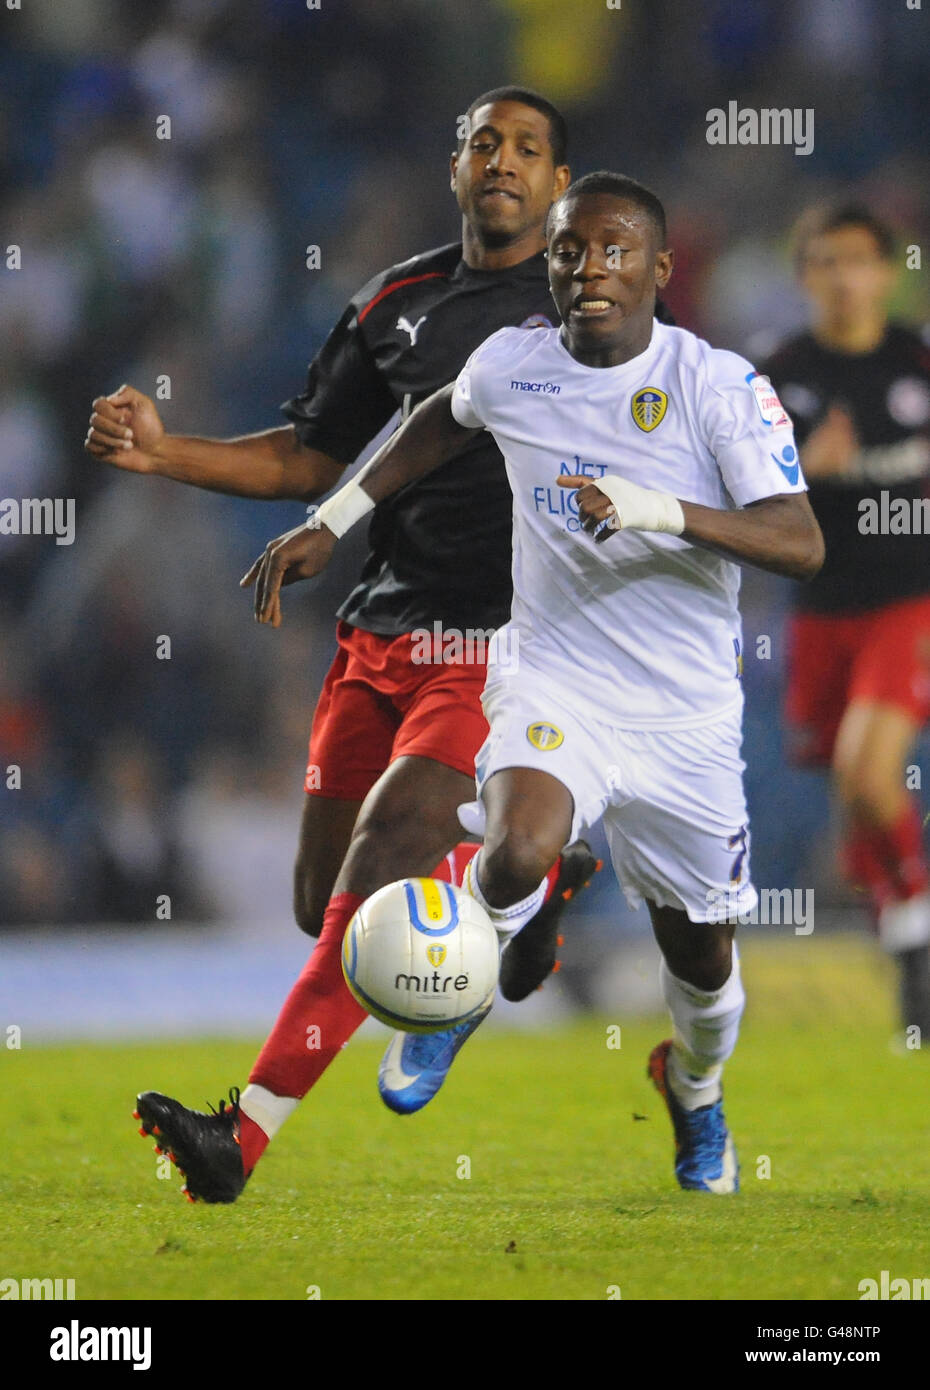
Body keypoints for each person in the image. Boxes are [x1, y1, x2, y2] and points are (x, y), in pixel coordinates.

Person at [135, 172, 823, 1201]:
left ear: (662, 268)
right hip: (554, 680)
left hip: (684, 721)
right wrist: (337, 516)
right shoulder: (514, 363)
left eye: (615, 252)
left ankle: (693, 1082)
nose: (590, 271)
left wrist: (663, 511)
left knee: (705, 970)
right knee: (512, 847)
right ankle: (459, 996)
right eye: (569, 253)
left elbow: (799, 541)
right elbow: (440, 420)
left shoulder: (716, 388)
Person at [763, 203, 930, 1035]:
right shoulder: (776, 376)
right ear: (805, 277)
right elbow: (736, 498)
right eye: (824, 262)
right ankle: (904, 941)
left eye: (858, 260)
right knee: (855, 806)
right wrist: (799, 470)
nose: (843, 277)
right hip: (820, 613)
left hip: (911, 605)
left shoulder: (918, 363)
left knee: (872, 774)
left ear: (888, 271)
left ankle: (917, 932)